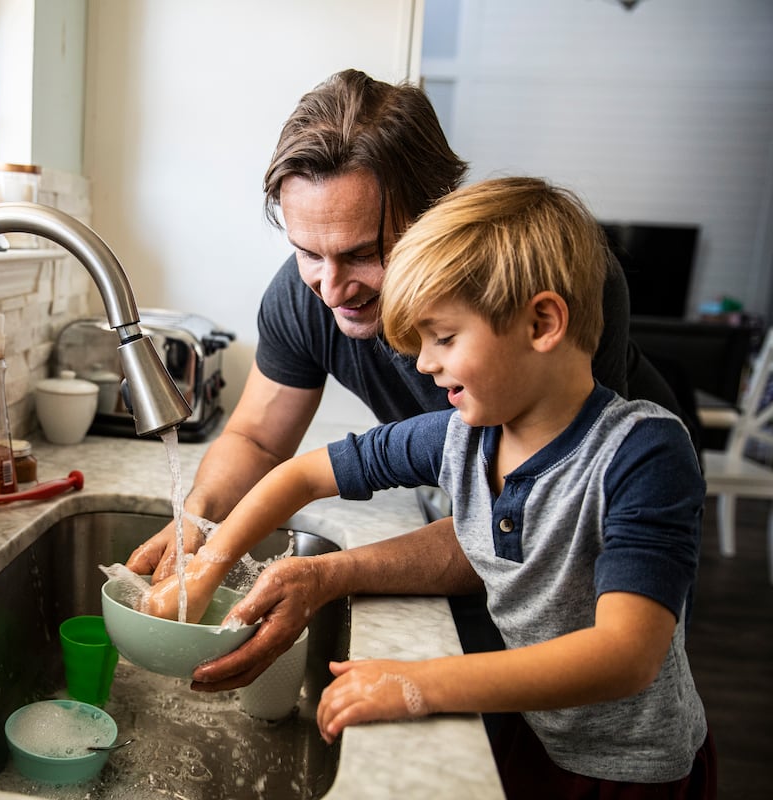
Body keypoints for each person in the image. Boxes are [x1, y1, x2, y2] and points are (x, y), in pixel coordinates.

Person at [124, 68, 695, 688]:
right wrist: (200, 525)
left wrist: (329, 579)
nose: (333, 289)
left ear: (440, 214)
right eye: (309, 253)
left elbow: (519, 535)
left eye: (366, 254)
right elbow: (260, 442)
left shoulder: (547, 293)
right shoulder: (303, 297)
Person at [147, 176, 716, 797]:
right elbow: (303, 473)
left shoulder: (643, 451)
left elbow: (624, 656)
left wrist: (421, 682)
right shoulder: (463, 434)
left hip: (630, 771)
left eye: (444, 338)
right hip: (536, 730)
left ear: (543, 322)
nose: (423, 363)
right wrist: (209, 557)